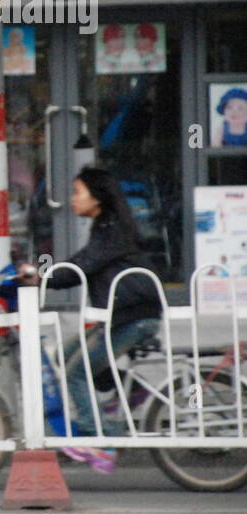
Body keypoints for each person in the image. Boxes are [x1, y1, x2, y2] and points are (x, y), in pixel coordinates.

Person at [17, 166, 162, 474]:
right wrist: (44, 277)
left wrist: (40, 276)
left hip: (133, 318)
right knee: (66, 353)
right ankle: (130, 388)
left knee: (76, 372)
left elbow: (82, 266)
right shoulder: (106, 226)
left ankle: (100, 441)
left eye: (77, 192)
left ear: (97, 197)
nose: (72, 199)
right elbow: (82, 265)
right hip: (120, 316)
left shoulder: (113, 229)